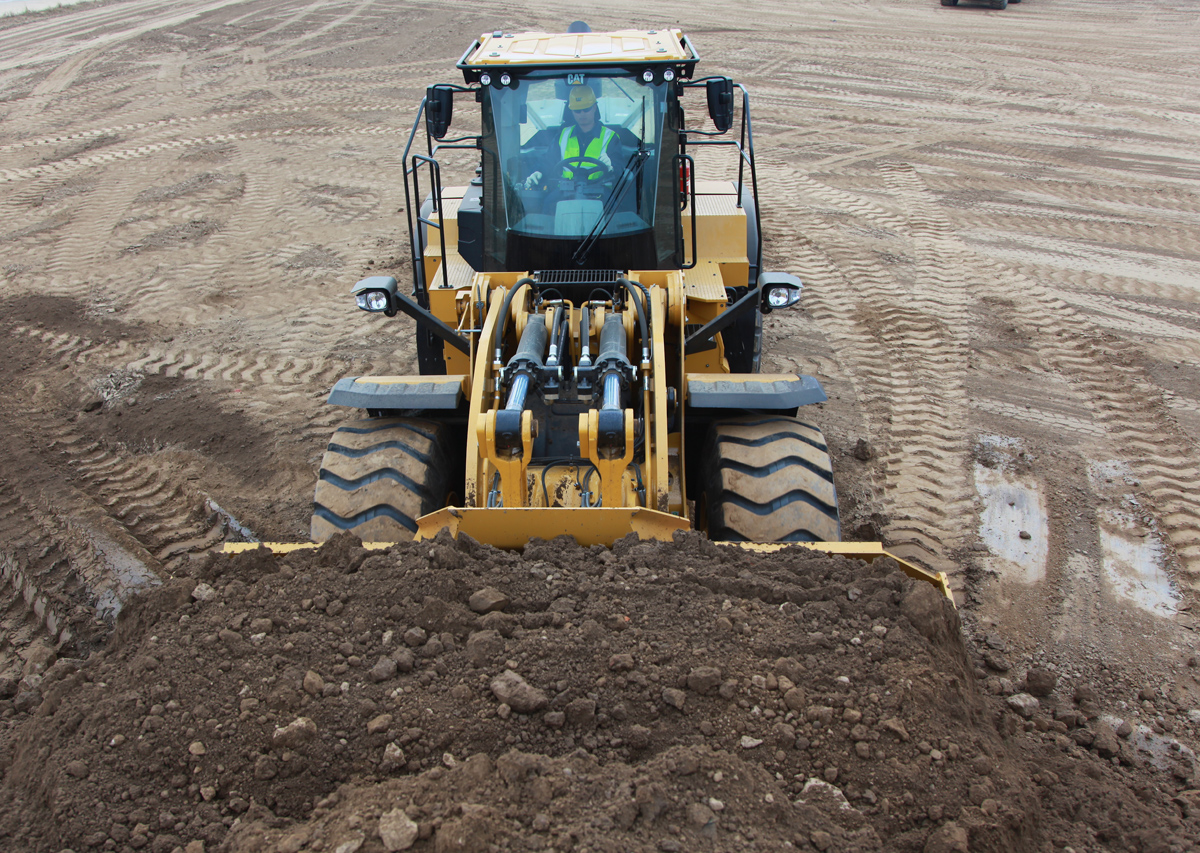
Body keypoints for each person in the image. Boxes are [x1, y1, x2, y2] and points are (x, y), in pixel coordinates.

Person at [523, 85, 624, 190]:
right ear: (571, 111)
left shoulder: (610, 137)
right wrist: (538, 172)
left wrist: (611, 166)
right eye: (577, 111)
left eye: (586, 109)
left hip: (599, 192)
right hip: (565, 192)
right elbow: (548, 161)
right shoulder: (563, 135)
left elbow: (620, 169)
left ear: (594, 107)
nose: (582, 114)